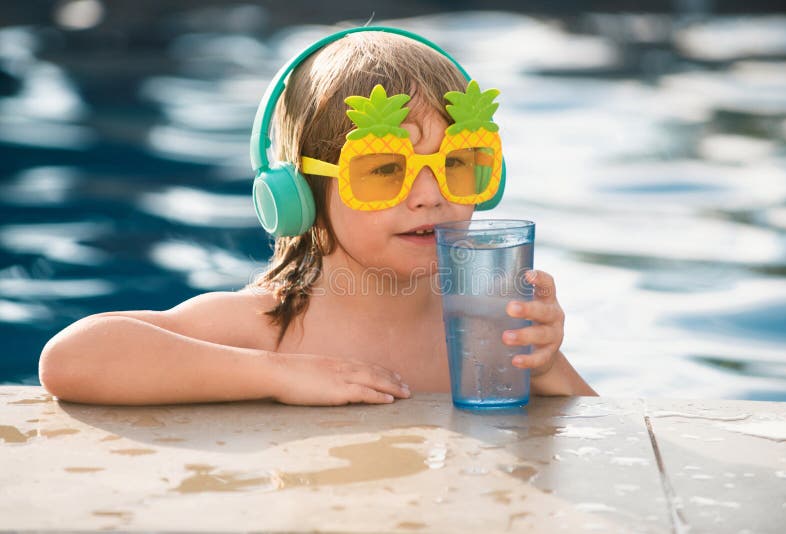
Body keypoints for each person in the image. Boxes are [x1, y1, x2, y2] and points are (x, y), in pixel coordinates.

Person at [38, 27, 596, 406]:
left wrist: (544, 367)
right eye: (384, 169)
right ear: (296, 194)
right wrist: (276, 375)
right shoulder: (273, 328)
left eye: (456, 163)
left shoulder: (481, 327)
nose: (430, 195)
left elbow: (611, 440)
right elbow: (71, 358)